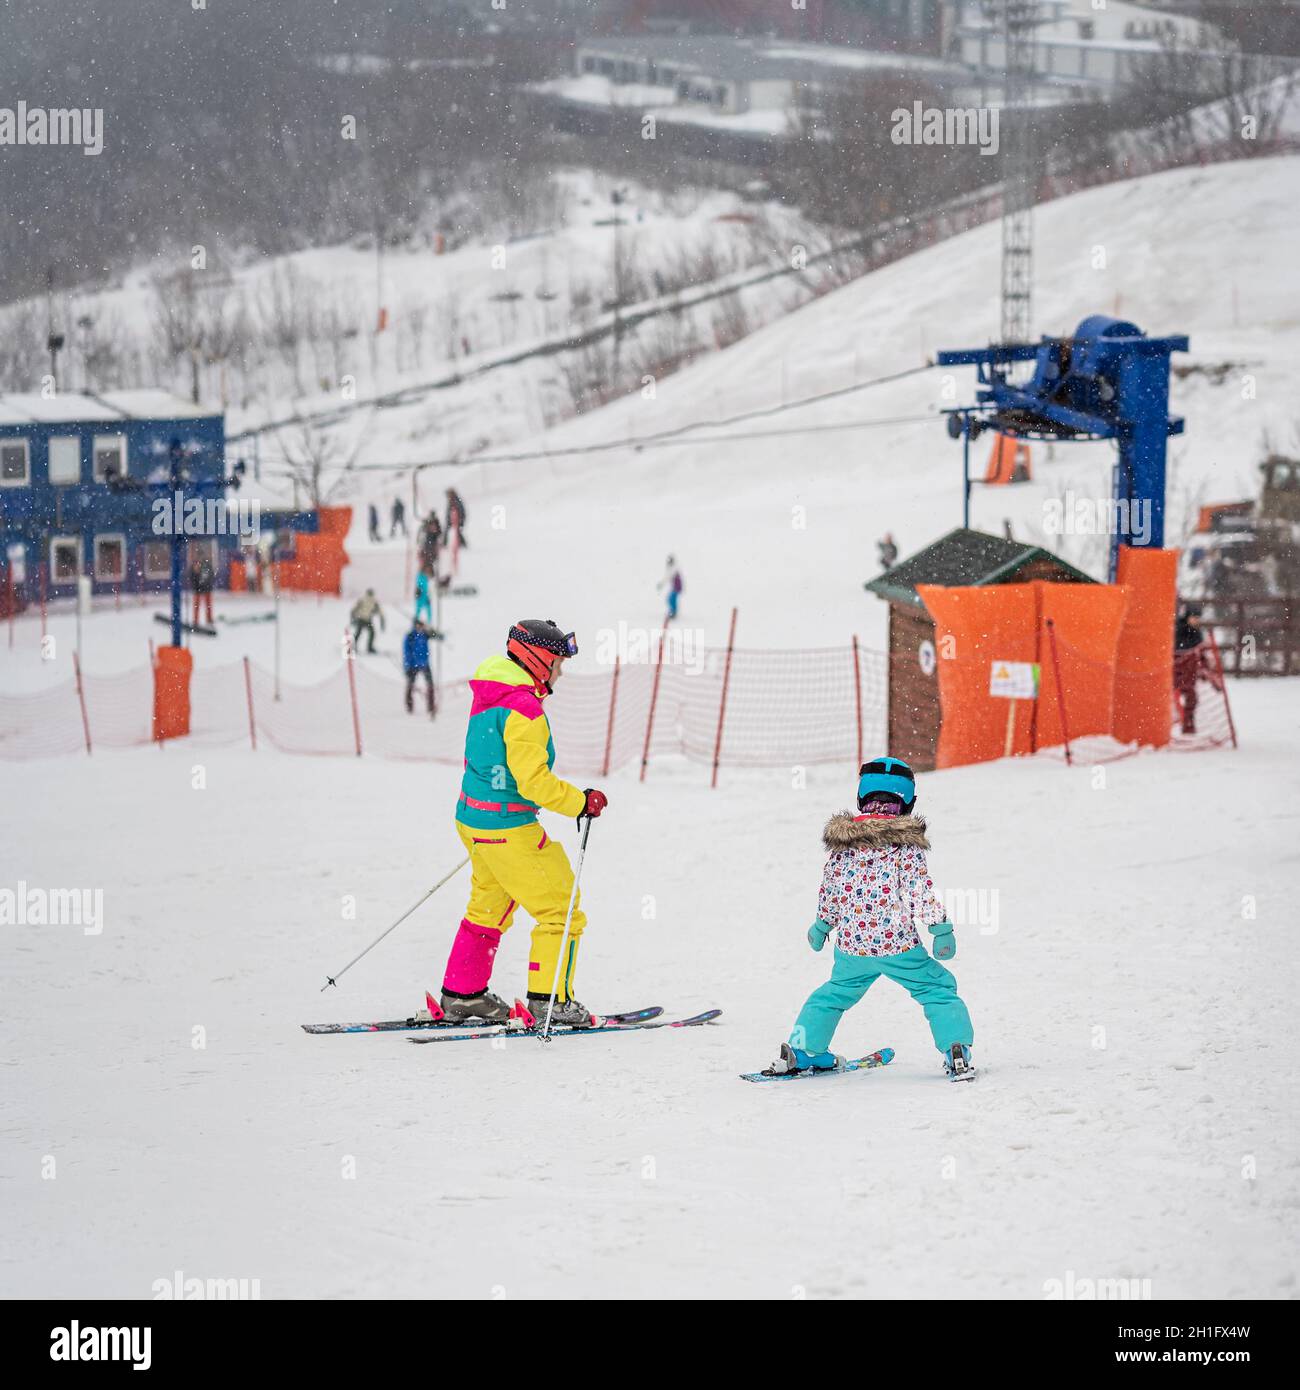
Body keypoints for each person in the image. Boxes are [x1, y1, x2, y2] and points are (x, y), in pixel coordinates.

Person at [428, 619, 608, 1026]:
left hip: (474, 821)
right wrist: (580, 801)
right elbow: (535, 783)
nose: (559, 671)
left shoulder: (491, 696)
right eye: (557, 662)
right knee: (561, 909)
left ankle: (464, 994)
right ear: (539, 659)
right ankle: (551, 1002)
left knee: (488, 908)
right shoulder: (523, 710)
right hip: (506, 828)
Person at [772, 756, 975, 1080]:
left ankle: (804, 1050)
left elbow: (831, 890)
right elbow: (918, 891)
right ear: (909, 803)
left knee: (833, 994)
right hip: (899, 947)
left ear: (860, 799)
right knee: (937, 988)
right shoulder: (906, 845)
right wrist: (941, 929)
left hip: (853, 948)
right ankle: (956, 1049)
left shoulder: (843, 844)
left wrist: (822, 926)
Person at [1174, 603, 1206, 734]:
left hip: (1189, 671)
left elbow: (1201, 651)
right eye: (1194, 617)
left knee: (1191, 698)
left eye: (1198, 617)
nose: (1196, 620)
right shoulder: (1178, 630)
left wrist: (1204, 668)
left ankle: (1188, 725)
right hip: (1175, 669)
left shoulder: (1197, 633)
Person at [403, 619, 437, 716]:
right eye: (418, 626)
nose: (420, 628)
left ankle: (431, 706)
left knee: (430, 684)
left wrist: (430, 629)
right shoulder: (410, 636)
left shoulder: (425, 635)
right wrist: (407, 666)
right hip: (413, 665)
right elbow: (406, 652)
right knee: (410, 685)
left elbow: (436, 635)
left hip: (424, 664)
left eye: (421, 626)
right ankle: (409, 707)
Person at [350, 589, 384, 654]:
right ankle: (369, 647)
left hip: (361, 619)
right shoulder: (373, 601)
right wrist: (382, 622)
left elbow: (353, 610)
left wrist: (352, 619)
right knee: (371, 633)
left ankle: (353, 647)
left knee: (359, 633)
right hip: (367, 620)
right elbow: (380, 612)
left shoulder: (363, 600)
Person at [190, 553, 216, 627]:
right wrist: (196, 574)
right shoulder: (194, 566)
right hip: (197, 588)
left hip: (206, 588)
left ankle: (209, 619)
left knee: (208, 605)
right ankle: (196, 620)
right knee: (196, 605)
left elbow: (211, 575)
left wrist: (207, 583)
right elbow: (191, 577)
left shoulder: (207, 565)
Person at [657, 555, 683, 624]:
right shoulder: (673, 568)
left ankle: (673, 613)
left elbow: (667, 577)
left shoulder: (672, 569)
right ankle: (673, 612)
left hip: (677, 587)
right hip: (676, 587)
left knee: (671, 599)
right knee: (671, 599)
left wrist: (661, 584)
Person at [445, 487, 468, 552]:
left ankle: (463, 545)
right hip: (453, 521)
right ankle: (462, 545)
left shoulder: (455, 500)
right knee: (457, 532)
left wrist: (460, 520)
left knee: (457, 532)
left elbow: (461, 511)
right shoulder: (452, 500)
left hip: (456, 521)